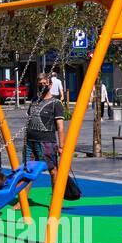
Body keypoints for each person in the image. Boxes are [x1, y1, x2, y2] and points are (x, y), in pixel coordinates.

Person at [25, 73, 80, 201]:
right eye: (40, 84)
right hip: (30, 141)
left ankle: (55, 201)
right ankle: (23, 201)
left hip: (47, 142)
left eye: (45, 84)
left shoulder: (56, 103)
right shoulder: (34, 101)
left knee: (53, 171)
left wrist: (62, 146)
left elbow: (60, 127)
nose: (42, 86)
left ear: (50, 85)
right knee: (27, 171)